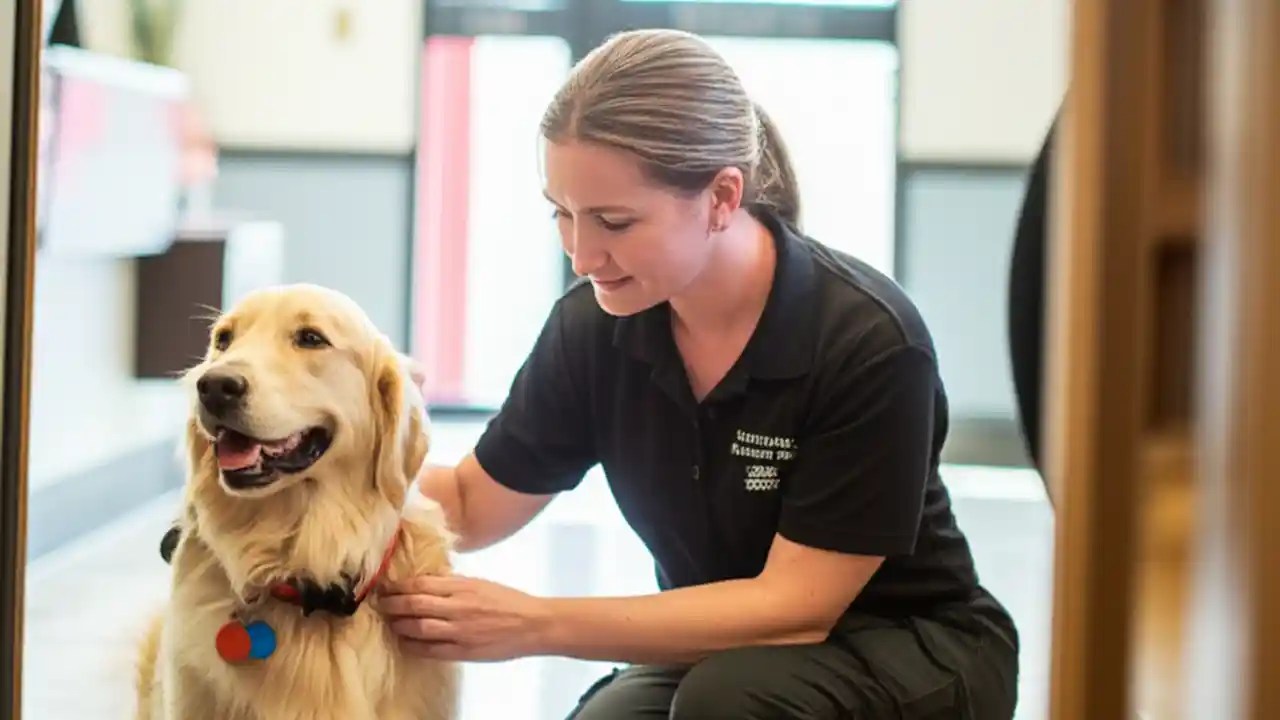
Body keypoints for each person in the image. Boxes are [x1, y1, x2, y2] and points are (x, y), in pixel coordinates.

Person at [375, 28, 1020, 719]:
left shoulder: (866, 341)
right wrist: (348, 442)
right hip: (729, 649)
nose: (582, 255)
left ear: (721, 196)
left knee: (725, 706)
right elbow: (472, 506)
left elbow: (794, 610)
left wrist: (537, 623)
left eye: (615, 222)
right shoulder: (594, 329)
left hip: (911, 648)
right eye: (562, 215)